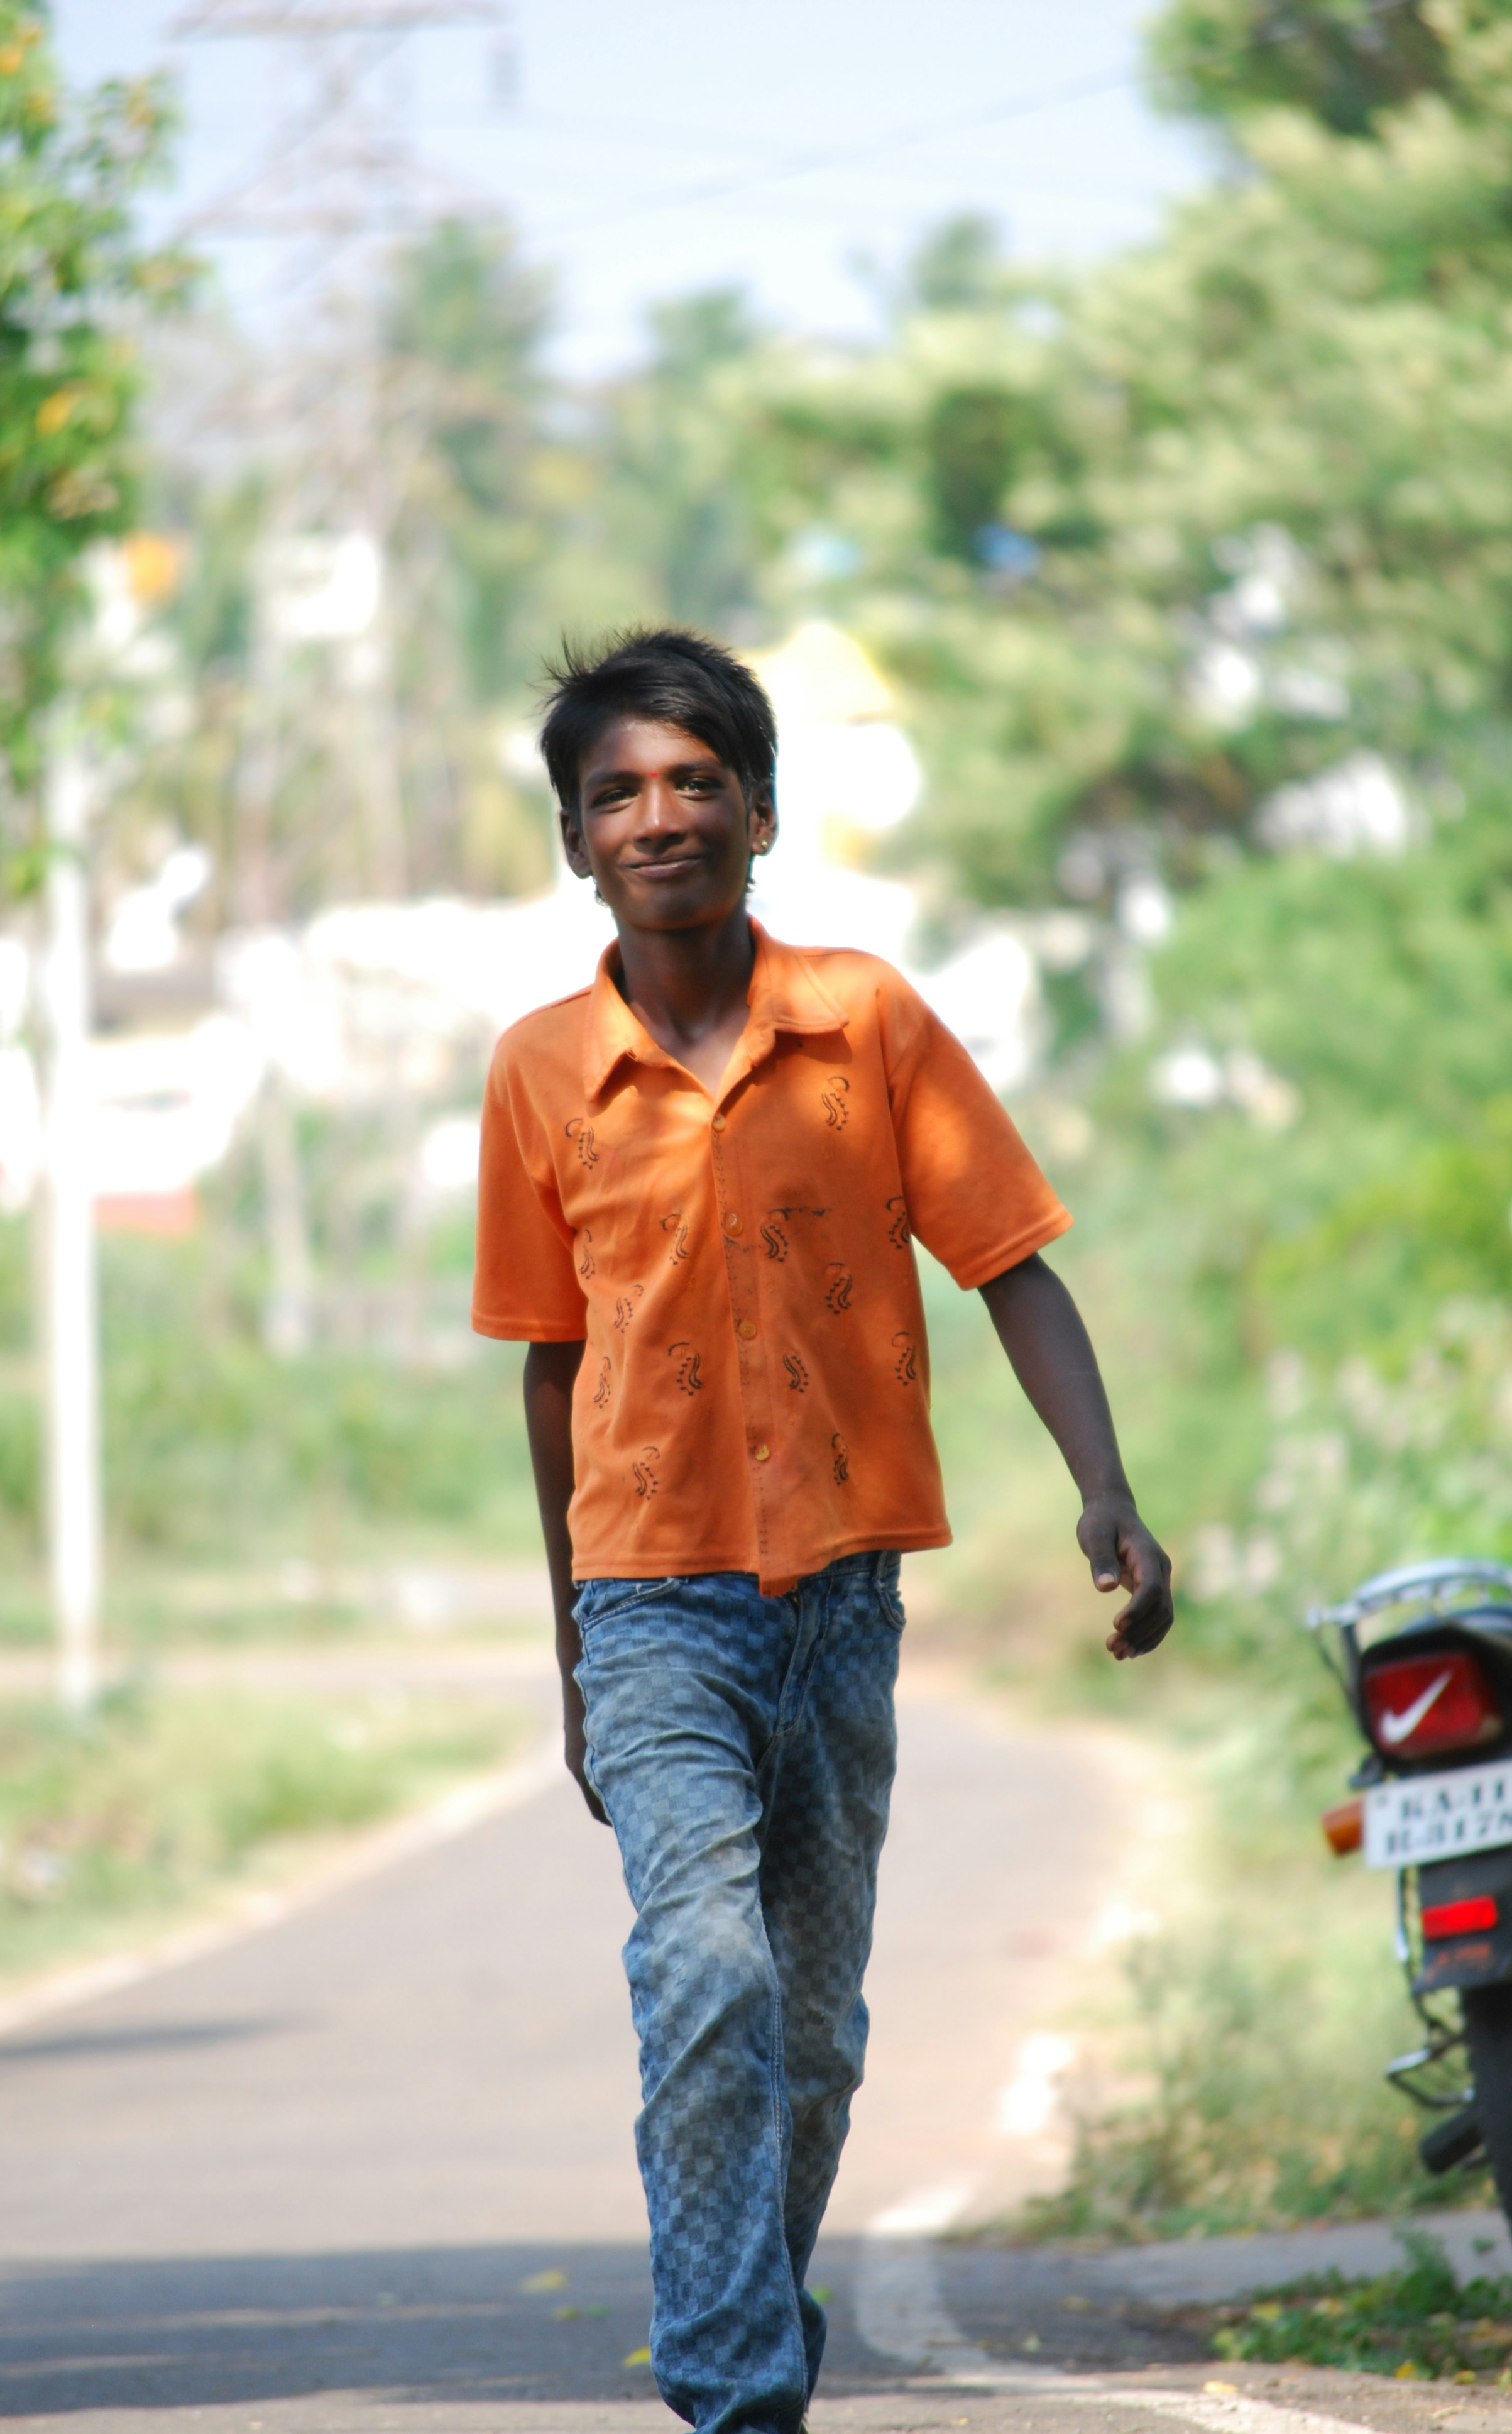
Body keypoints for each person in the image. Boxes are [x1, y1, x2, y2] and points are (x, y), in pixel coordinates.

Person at [471, 627, 1173, 2434]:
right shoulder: (540, 1074)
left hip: (844, 1600)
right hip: (649, 1602)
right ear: (575, 843)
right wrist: (569, 1654)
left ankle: (749, 2315)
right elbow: (551, 1374)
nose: (658, 817)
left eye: (695, 781)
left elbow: (1013, 1263)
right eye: (616, 792)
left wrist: (1104, 1490)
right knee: (702, 1972)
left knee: (805, 2036)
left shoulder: (866, 1021)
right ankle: (734, 2393)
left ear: (759, 814)